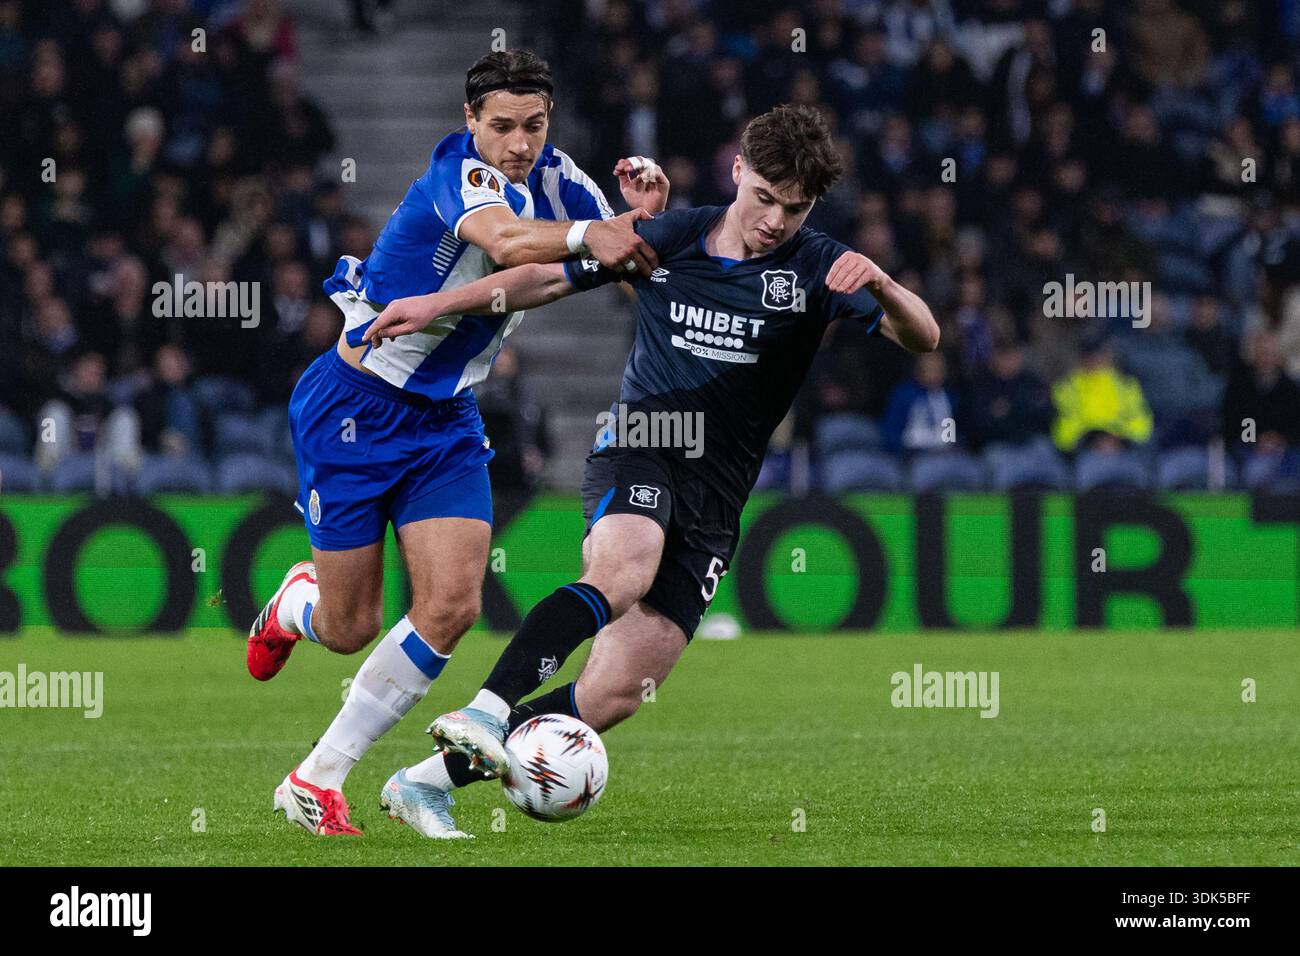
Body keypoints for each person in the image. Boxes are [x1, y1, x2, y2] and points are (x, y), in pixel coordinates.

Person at [362, 104, 939, 838]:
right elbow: (544, 281)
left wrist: (884, 286)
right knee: (623, 572)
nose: (773, 220)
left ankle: (421, 783)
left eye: (793, 209)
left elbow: (924, 337)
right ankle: (483, 708)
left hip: (717, 493)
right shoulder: (673, 235)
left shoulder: (818, 266)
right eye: (763, 197)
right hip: (642, 438)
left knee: (616, 693)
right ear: (738, 172)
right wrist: (438, 304)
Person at [248, 50, 670, 837]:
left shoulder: (560, 177)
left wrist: (642, 222)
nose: (518, 143)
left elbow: (596, 263)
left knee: (451, 605)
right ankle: (297, 603)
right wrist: (600, 233)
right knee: (349, 628)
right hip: (355, 409)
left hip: (444, 420)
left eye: (534, 126)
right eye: (502, 126)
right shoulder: (458, 174)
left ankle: (317, 778)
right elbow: (513, 248)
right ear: (469, 120)